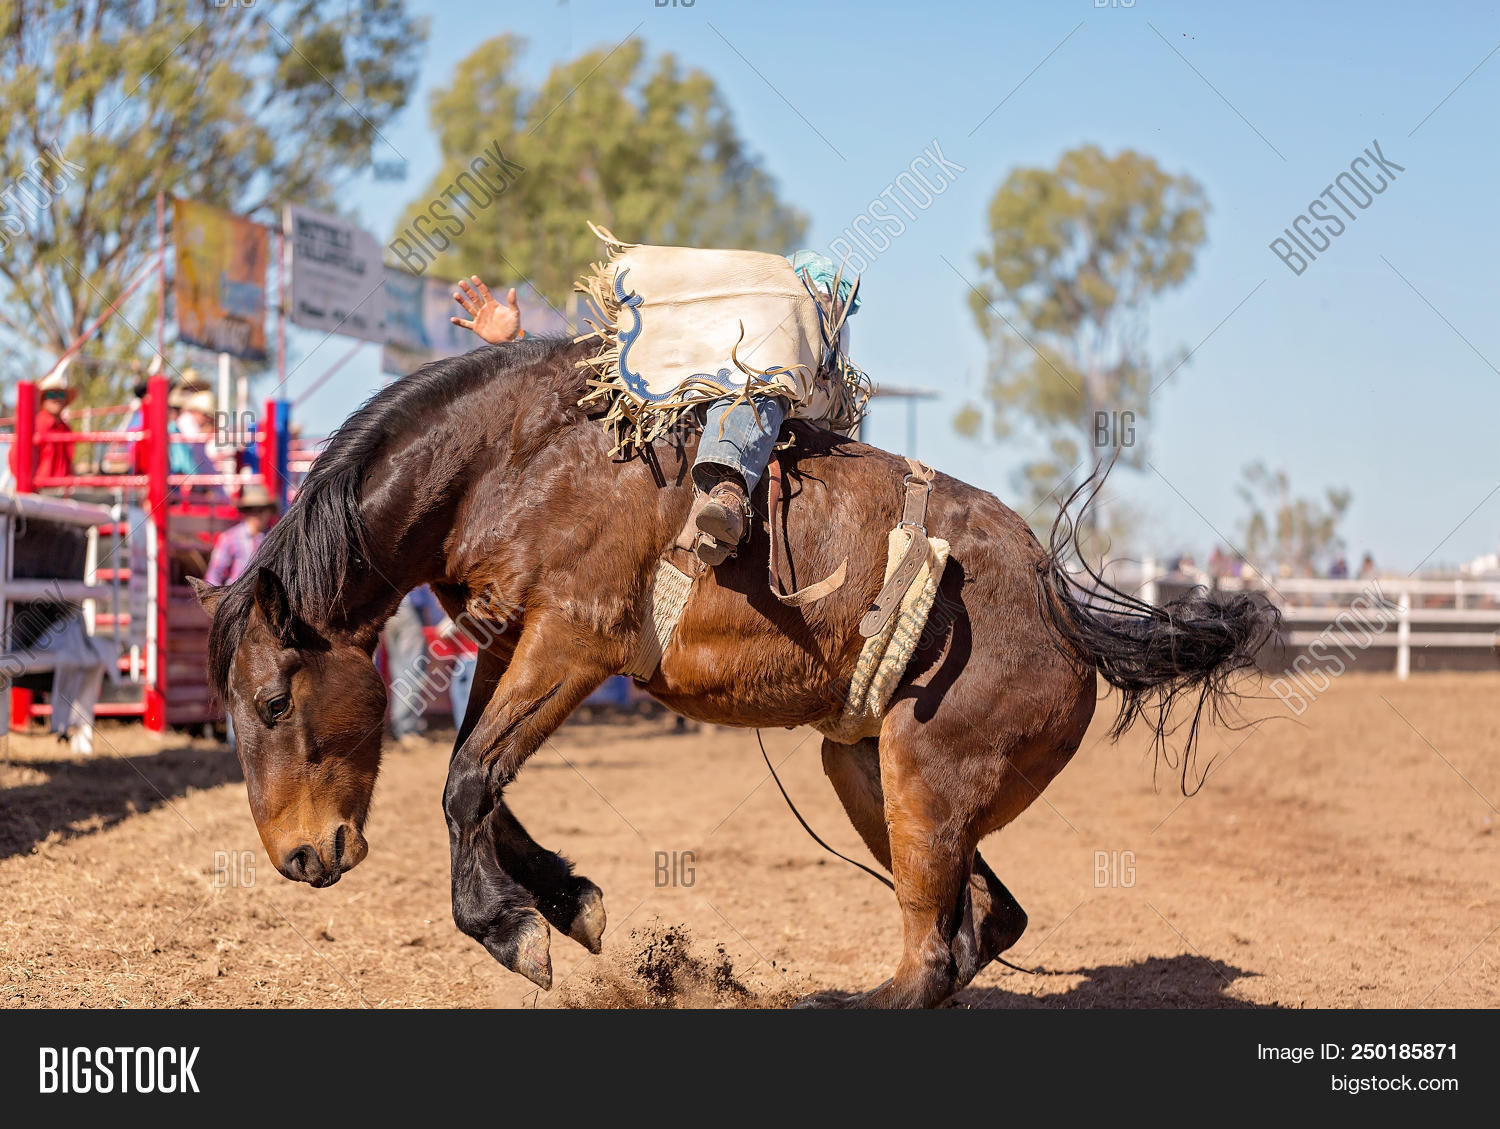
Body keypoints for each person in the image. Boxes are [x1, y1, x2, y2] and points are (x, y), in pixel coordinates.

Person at [454, 248, 860, 565]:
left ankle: (727, 496)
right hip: (654, 445)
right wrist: (518, 340)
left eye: (827, 306)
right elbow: (606, 367)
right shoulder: (720, 330)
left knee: (760, 391)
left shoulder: (822, 383)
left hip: (749, 437)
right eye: (817, 300)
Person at [9, 361, 77, 485]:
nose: (57, 399)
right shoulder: (36, 424)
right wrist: (29, 484)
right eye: (51, 394)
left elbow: (68, 463)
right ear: (42, 399)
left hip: (60, 490)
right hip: (40, 490)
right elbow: (16, 459)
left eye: (61, 394)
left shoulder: (65, 427)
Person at [203, 483, 279, 587]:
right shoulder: (229, 538)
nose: (256, 514)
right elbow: (214, 575)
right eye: (251, 509)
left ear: (269, 512)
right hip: (236, 594)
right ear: (245, 511)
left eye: (261, 510)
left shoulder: (274, 539)